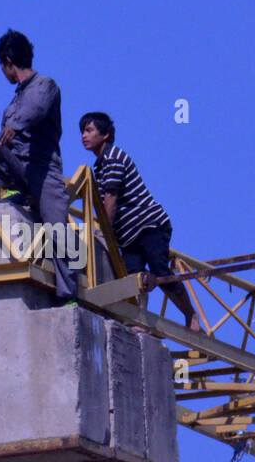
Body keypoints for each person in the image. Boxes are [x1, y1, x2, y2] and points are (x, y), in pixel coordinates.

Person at [0, 30, 77, 301]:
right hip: (19, 170)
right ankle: (10, 188)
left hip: (44, 172)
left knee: (58, 231)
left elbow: (38, 109)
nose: (3, 74)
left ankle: (70, 295)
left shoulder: (46, 86)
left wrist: (15, 126)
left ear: (8, 62)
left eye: (2, 68)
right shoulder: (13, 101)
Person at [80, 112, 201, 333]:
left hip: (148, 225)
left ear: (105, 135)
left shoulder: (113, 157)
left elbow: (111, 200)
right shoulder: (100, 165)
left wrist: (100, 231)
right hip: (127, 234)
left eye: (89, 131)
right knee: (133, 278)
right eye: (83, 131)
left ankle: (190, 313)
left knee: (160, 272)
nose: (83, 136)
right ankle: (141, 321)